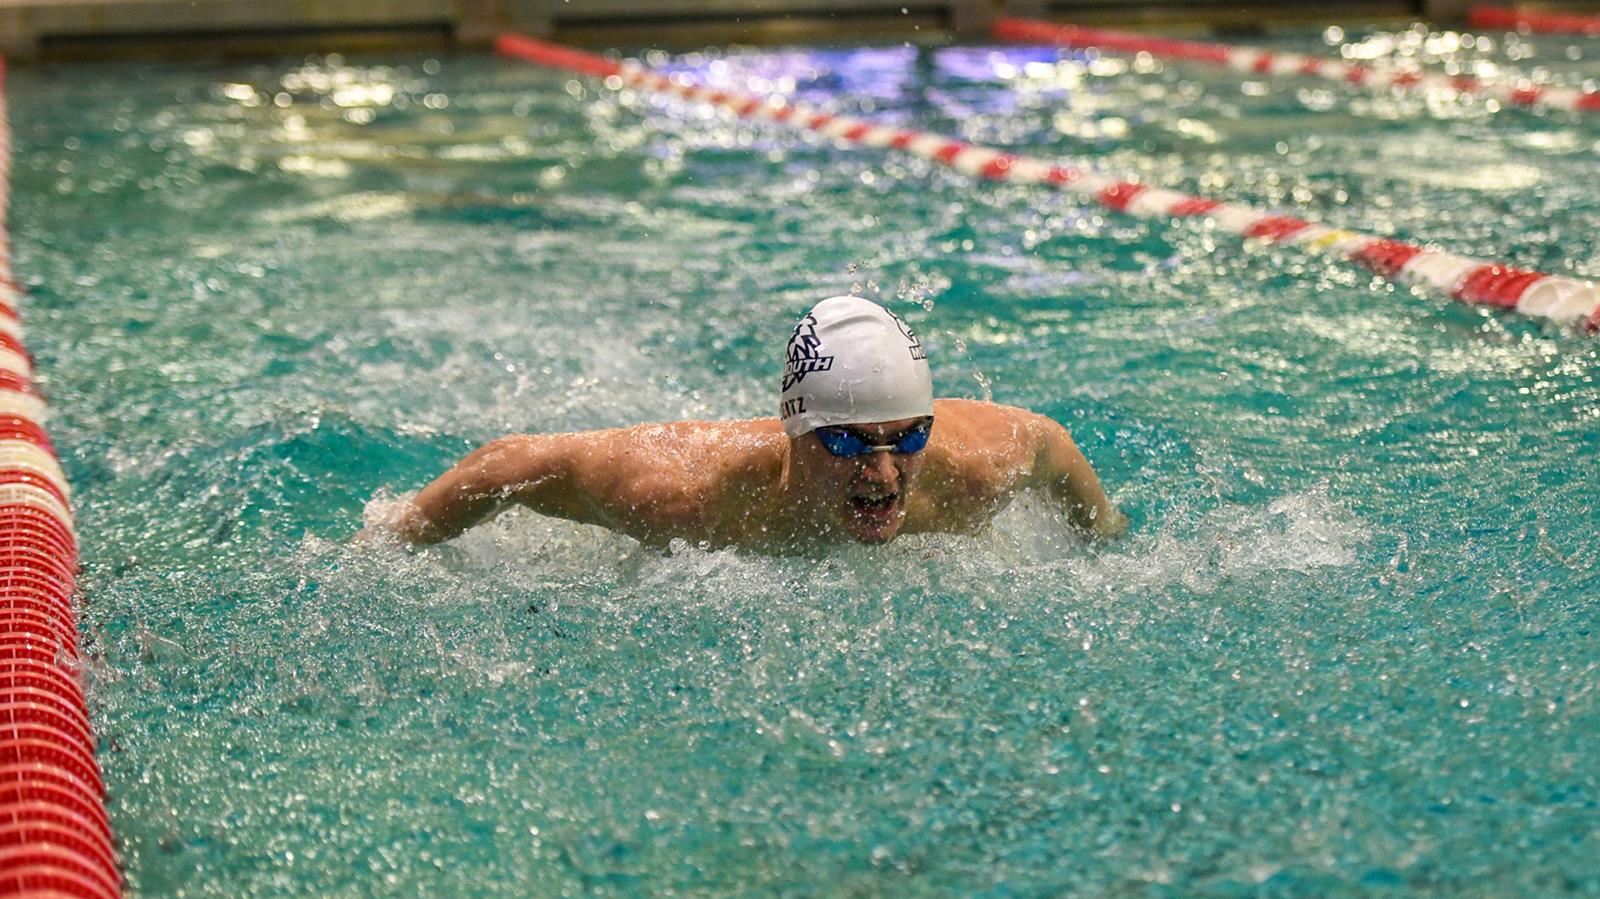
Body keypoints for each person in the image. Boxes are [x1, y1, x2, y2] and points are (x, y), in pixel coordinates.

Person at [367, 296, 1126, 550]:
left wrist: (1105, 538)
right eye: (846, 441)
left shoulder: (973, 471)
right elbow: (510, 463)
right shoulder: (689, 493)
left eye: (908, 438)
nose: (886, 473)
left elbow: (1052, 443)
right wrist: (382, 549)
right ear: (797, 431)